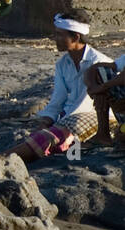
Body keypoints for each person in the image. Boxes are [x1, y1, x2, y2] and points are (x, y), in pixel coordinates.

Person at [8, 11, 114, 162]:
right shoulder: (62, 64)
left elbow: (85, 104)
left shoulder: (98, 63)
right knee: (40, 136)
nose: (55, 39)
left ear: (76, 37)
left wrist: (58, 124)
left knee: (49, 137)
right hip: (71, 117)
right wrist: (46, 121)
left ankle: (5, 159)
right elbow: (58, 98)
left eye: (59, 34)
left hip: (97, 117)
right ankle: (6, 159)